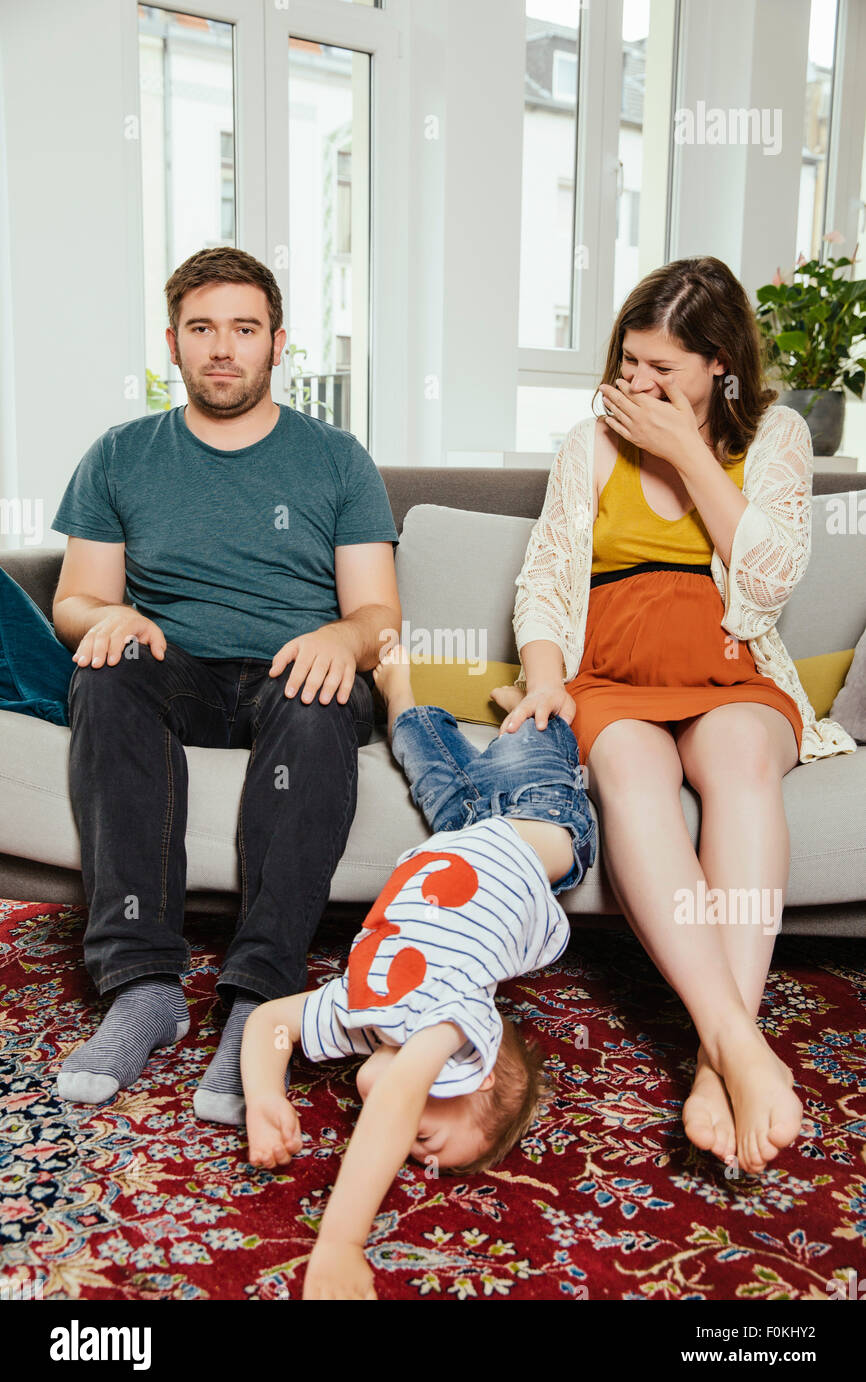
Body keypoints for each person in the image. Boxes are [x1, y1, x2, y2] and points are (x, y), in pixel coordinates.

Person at [490, 255, 857, 1179]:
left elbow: (769, 581)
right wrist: (542, 673)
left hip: (733, 672)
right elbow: (544, 581)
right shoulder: (588, 445)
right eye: (630, 362)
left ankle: (713, 1059)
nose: (639, 385)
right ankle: (738, 1044)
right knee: (629, 773)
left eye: (665, 368)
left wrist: (689, 446)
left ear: (720, 366)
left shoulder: (773, 437)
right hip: (611, 675)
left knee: (737, 761)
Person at [50, 246, 401, 1124]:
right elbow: (73, 599)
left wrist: (339, 635)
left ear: (277, 343)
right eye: (202, 328)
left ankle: (257, 996)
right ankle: (144, 989)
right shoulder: (122, 455)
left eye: (243, 329)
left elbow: (380, 620)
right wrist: (106, 619)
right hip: (183, 673)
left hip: (295, 674)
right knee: (105, 671)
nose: (222, 348)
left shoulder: (336, 458)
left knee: (316, 697)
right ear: (172, 343)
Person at [240, 645, 596, 1300]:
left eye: (414, 1153)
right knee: (533, 738)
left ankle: (400, 685)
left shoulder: (365, 1014)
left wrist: (264, 1094)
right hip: (538, 816)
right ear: (478, 1070)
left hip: (457, 830)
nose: (413, 1150)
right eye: (432, 1140)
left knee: (415, 742)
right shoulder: (453, 1020)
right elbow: (401, 1095)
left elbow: (270, 1022)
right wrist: (342, 1244)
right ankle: (530, 707)